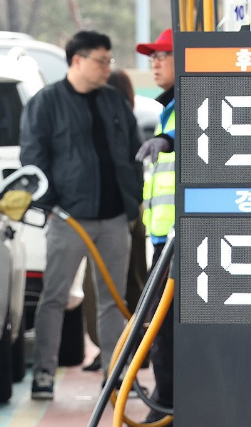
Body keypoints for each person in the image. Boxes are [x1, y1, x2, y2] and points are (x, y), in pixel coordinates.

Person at [20, 30, 143, 399]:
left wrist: (132, 200)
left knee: (113, 299)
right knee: (54, 297)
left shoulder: (114, 102)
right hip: (68, 218)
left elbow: (133, 152)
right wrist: (51, 206)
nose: (107, 68)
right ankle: (44, 374)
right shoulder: (46, 103)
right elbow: (33, 159)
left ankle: (115, 373)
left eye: (109, 61)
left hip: (114, 218)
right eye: (101, 61)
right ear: (77, 60)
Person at [81, 69, 149, 372]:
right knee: (129, 283)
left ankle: (125, 349)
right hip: (129, 213)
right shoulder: (122, 124)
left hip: (118, 215)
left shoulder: (116, 125)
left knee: (107, 285)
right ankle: (125, 349)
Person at [134, 28, 176, 422]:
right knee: (161, 330)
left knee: (166, 331)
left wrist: (169, 139)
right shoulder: (169, 107)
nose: (155, 63)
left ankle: (167, 410)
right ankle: (167, 406)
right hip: (165, 242)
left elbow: (198, 127)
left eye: (163, 55)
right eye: (152, 57)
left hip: (183, 245)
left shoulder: (190, 103)